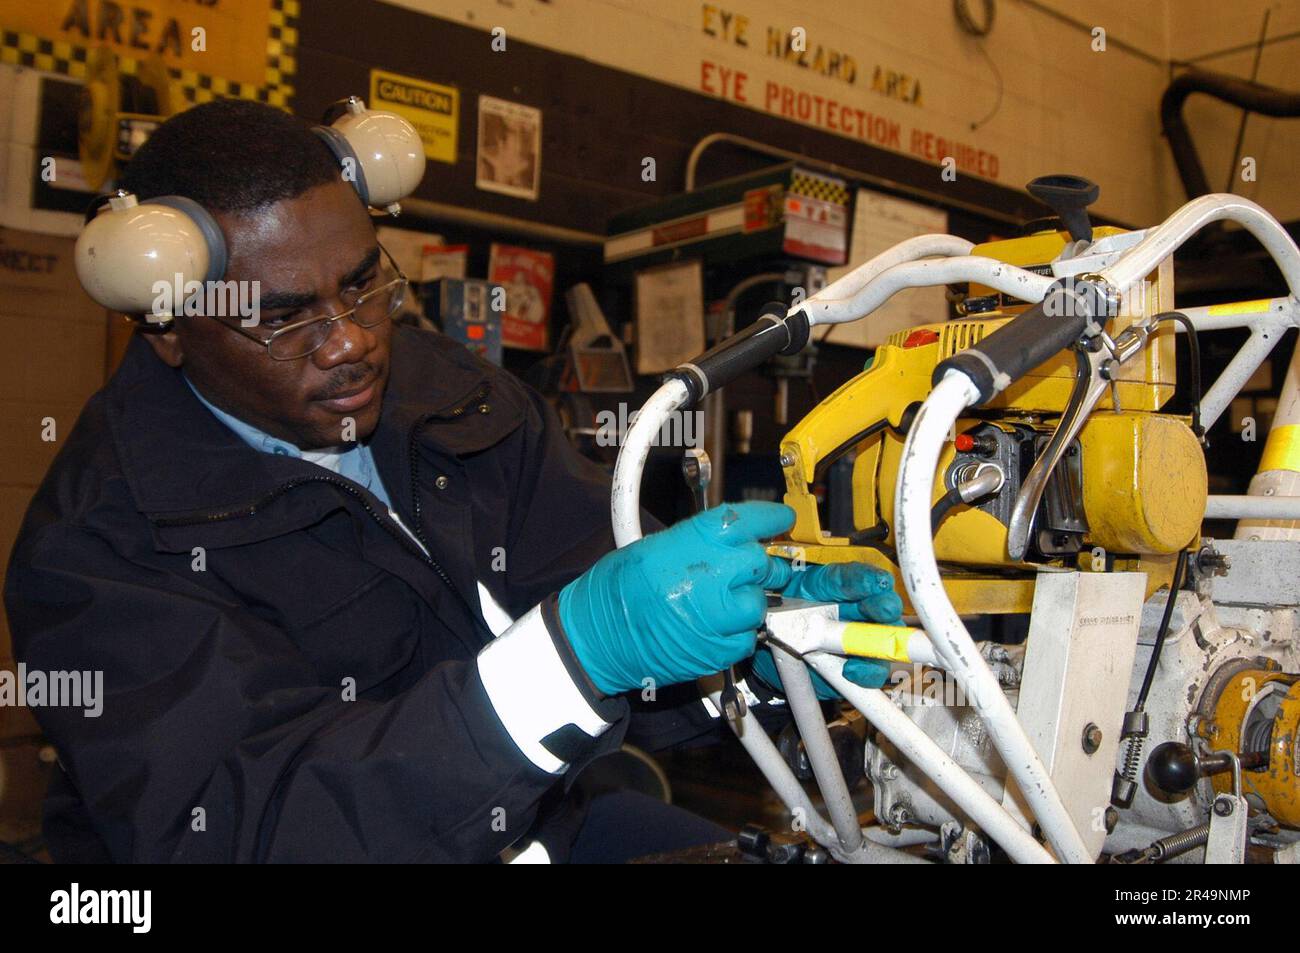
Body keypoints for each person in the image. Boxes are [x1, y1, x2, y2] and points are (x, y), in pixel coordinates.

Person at [4, 99, 902, 863]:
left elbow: (612, 605)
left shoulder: (449, 394)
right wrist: (579, 651)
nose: (351, 339)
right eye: (284, 318)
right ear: (168, 327)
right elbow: (264, 824)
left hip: (534, 817)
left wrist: (760, 656)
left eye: (363, 284)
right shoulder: (99, 549)